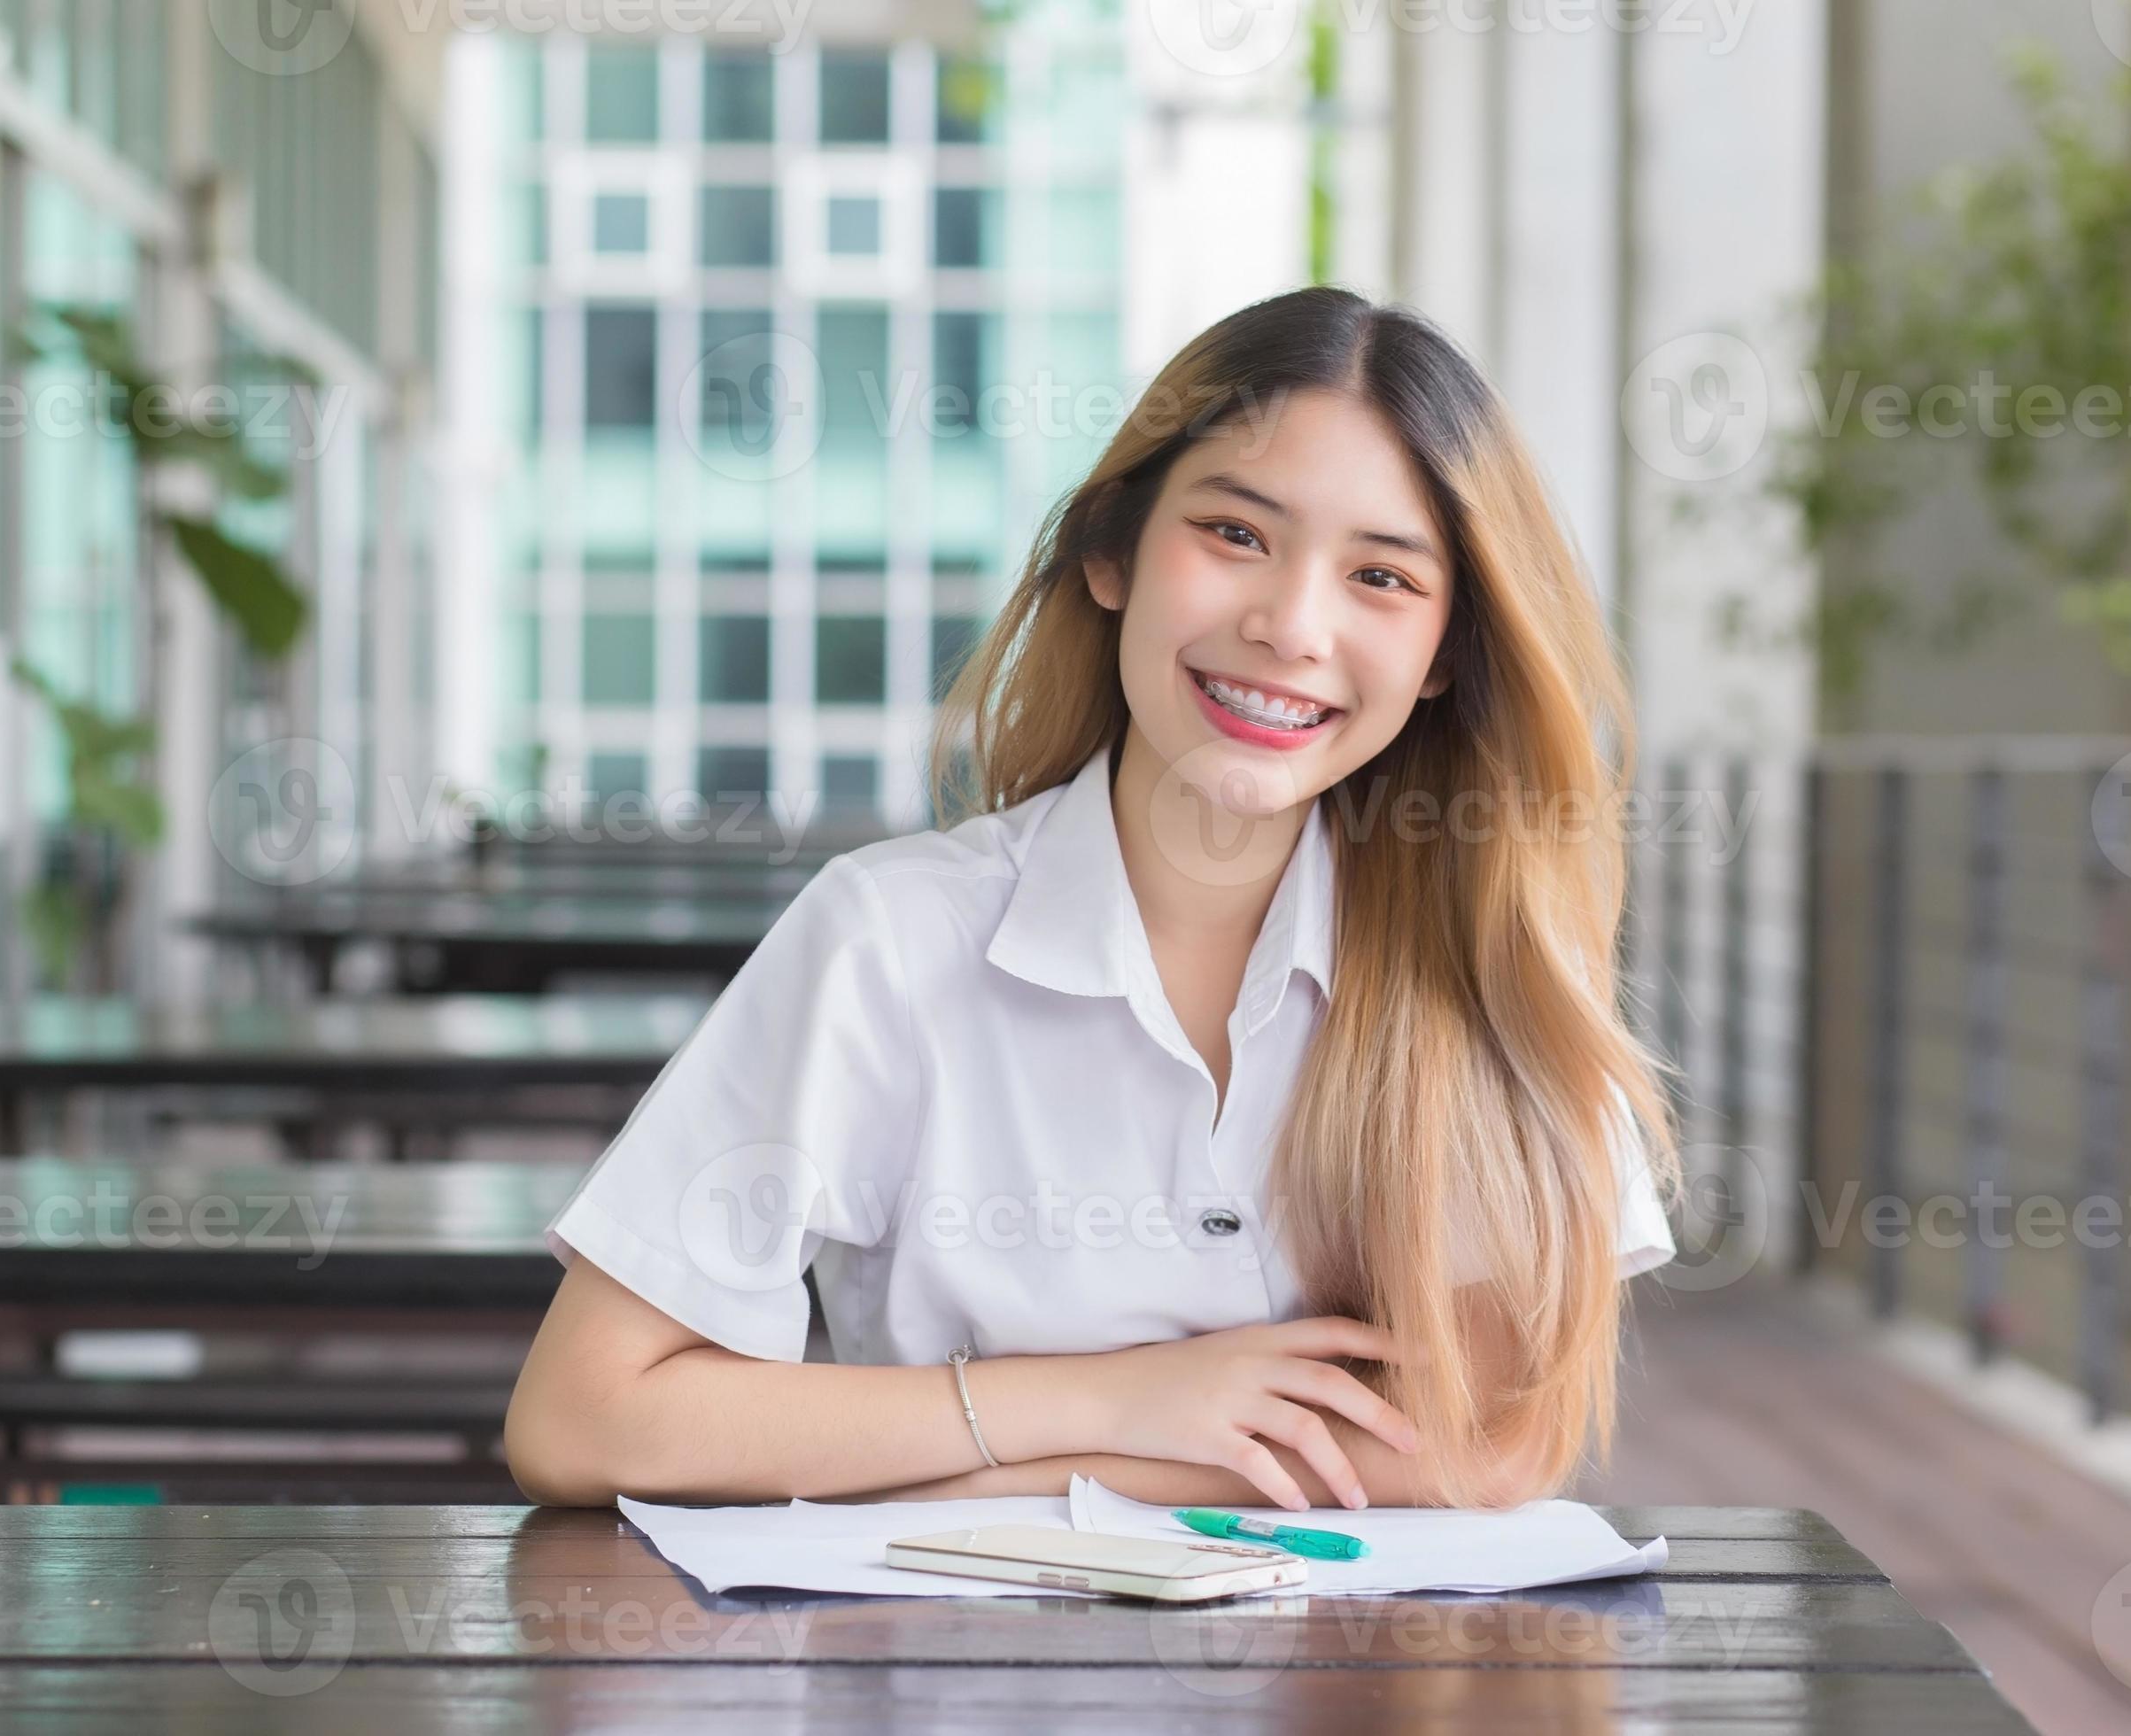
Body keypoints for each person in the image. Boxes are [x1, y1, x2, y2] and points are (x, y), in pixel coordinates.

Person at [505, 286, 1684, 1513]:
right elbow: (583, 1418)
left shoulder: (1492, 962)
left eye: (1382, 576)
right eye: (1235, 534)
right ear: (1110, 553)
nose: (1291, 627)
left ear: (1446, 657)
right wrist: (1112, 1399)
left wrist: (993, 1480)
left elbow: (1492, 1446)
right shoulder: (889, 940)